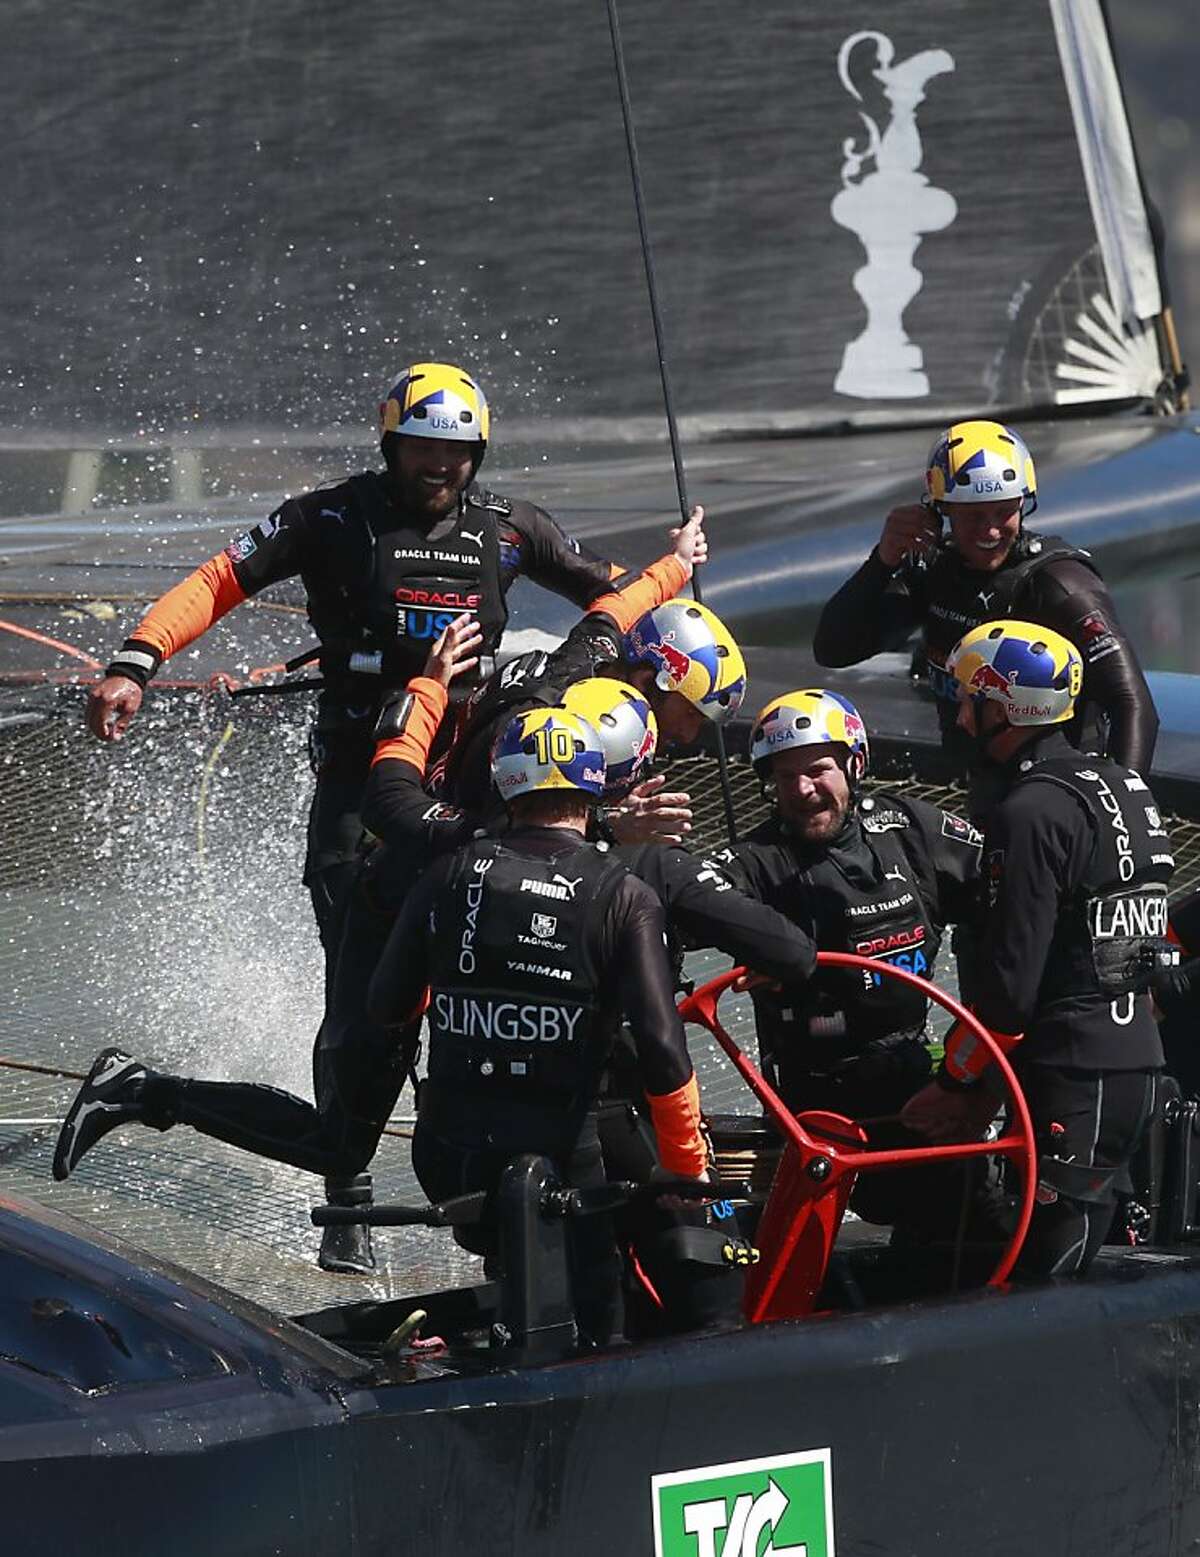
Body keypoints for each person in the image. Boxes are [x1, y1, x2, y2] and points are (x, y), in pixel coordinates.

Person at [85, 360, 640, 951]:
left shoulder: (512, 527)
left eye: (455, 450)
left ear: (477, 452)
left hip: (468, 764)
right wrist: (134, 665)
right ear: (390, 441)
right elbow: (217, 582)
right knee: (354, 937)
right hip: (360, 758)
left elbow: (619, 591)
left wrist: (671, 584)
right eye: (422, 446)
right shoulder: (327, 517)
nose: (439, 464)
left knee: (480, 932)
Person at [365, 705, 714, 1347]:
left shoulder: (446, 873)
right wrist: (687, 1174)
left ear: (504, 784)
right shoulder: (625, 895)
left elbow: (385, 1006)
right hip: (562, 1164)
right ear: (595, 785)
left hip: (449, 1160)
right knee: (608, 1305)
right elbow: (664, 1052)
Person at [901, 619, 1176, 1278]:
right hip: (1137, 1067)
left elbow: (1009, 990)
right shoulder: (1126, 786)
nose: (960, 717)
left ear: (1007, 707)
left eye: (970, 700)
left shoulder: (1029, 811)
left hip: (1072, 1081)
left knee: (1043, 1289)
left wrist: (956, 1083)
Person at [716, 687, 991, 1238]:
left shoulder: (910, 828)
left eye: (817, 770)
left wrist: (973, 1083)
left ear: (855, 764)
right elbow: (670, 907)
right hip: (810, 1105)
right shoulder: (753, 861)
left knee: (978, 1213)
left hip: (916, 1082)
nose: (802, 790)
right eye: (784, 776)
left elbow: (1013, 899)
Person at [812, 419, 1158, 782]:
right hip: (977, 784)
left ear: (1023, 504)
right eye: (973, 515)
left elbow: (1131, 702)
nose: (990, 530)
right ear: (942, 510)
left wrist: (1123, 800)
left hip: (1058, 791)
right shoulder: (934, 571)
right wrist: (881, 562)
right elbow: (834, 650)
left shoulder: (1061, 584)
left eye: (1004, 511)